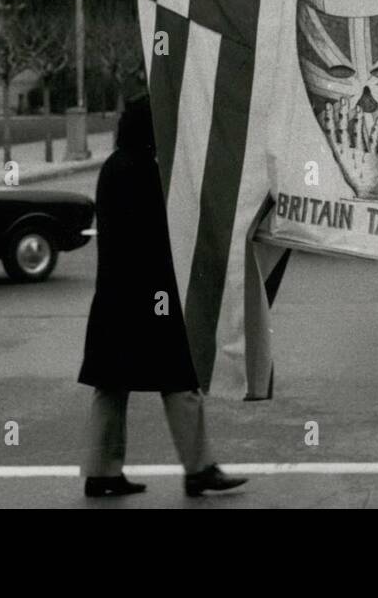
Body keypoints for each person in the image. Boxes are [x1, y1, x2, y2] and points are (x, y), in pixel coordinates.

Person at [78, 96, 247, 499]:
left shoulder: (115, 167)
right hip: (153, 297)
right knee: (181, 380)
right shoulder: (146, 172)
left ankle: (102, 472)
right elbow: (168, 236)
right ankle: (199, 467)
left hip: (115, 299)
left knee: (111, 386)